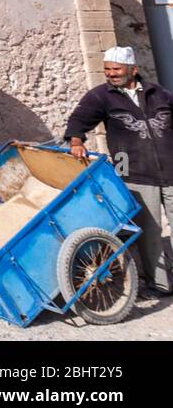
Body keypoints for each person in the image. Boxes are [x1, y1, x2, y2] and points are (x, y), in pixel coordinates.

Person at [66, 45, 173, 298]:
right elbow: (78, 121)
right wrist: (76, 141)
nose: (111, 74)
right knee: (150, 231)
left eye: (116, 69)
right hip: (132, 170)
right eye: (107, 69)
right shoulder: (100, 96)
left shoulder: (159, 94)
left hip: (171, 167)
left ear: (133, 70)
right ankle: (159, 284)